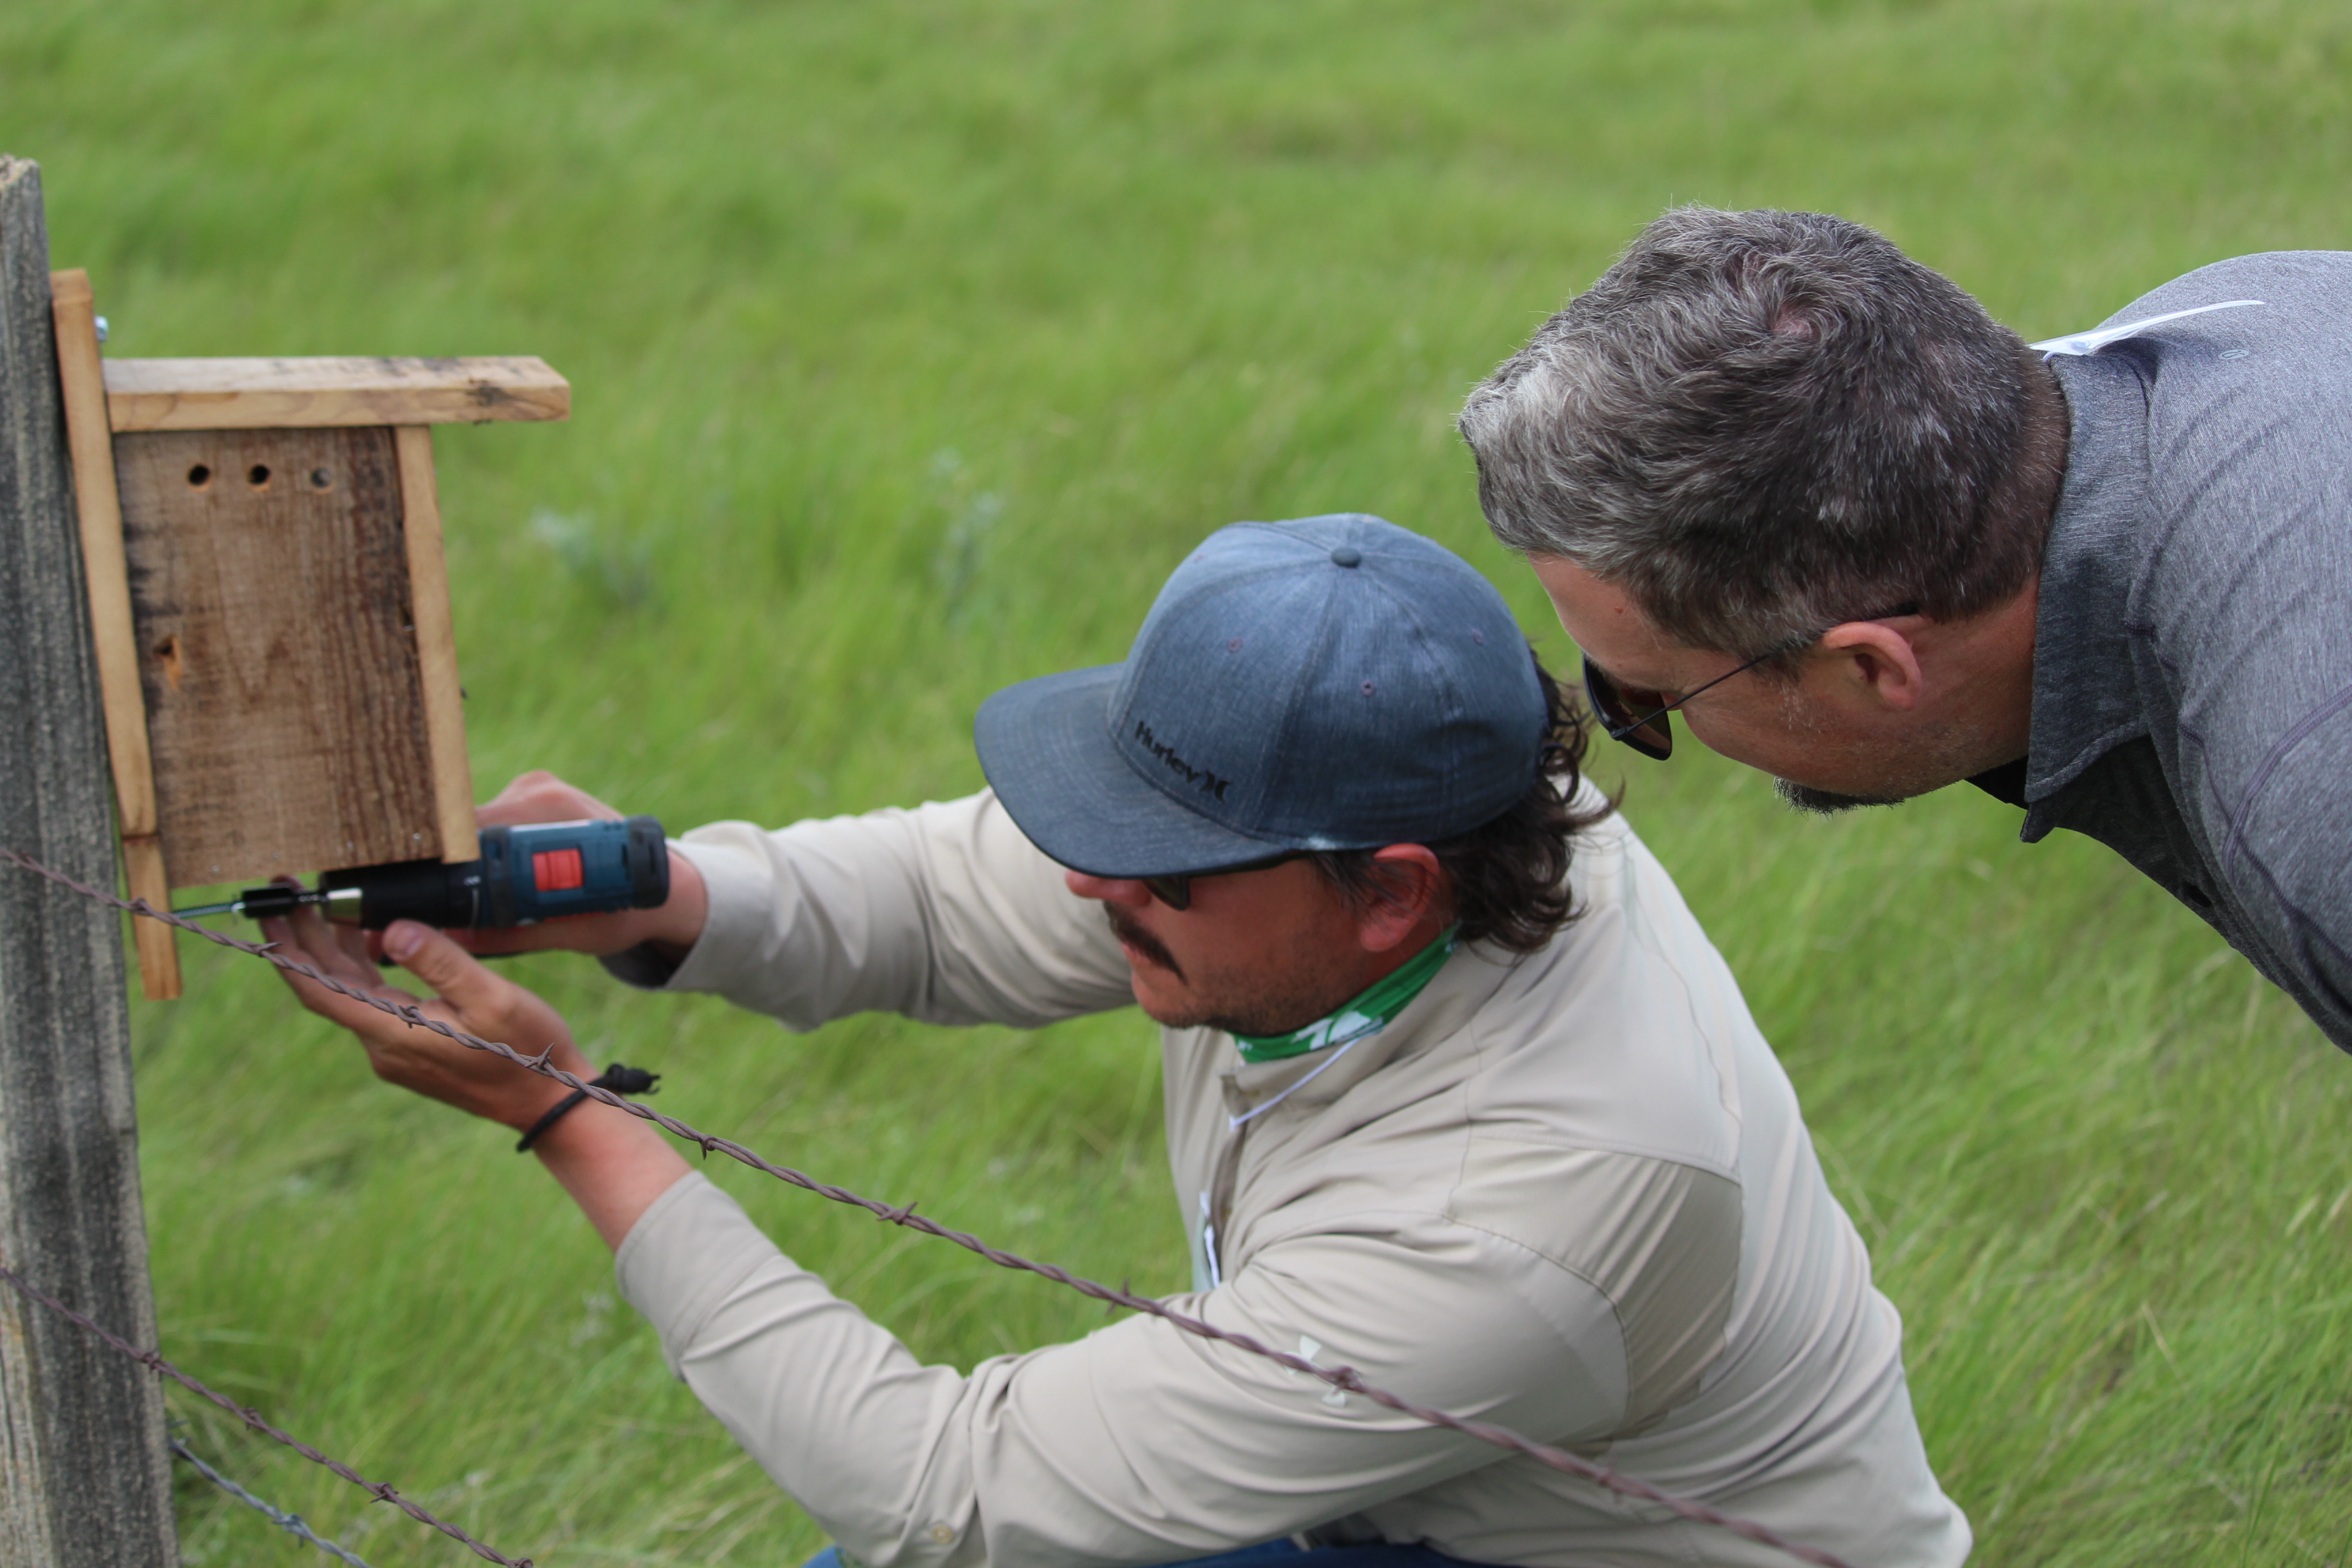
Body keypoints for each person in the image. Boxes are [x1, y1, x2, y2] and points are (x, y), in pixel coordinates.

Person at [271, 514, 1970, 1567]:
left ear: (1387, 897)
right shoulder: (1423, 814)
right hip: (1436, 1503)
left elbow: (946, 1497)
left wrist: (569, 1117)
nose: (1089, 873)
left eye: (1151, 855)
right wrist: (666, 897)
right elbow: (949, 897)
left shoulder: (1517, 1222)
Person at [1458, 209, 2352, 1052]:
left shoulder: (2315, 800)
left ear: (1872, 669)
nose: (1641, 718)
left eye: (1645, 695)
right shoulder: (2222, 324)